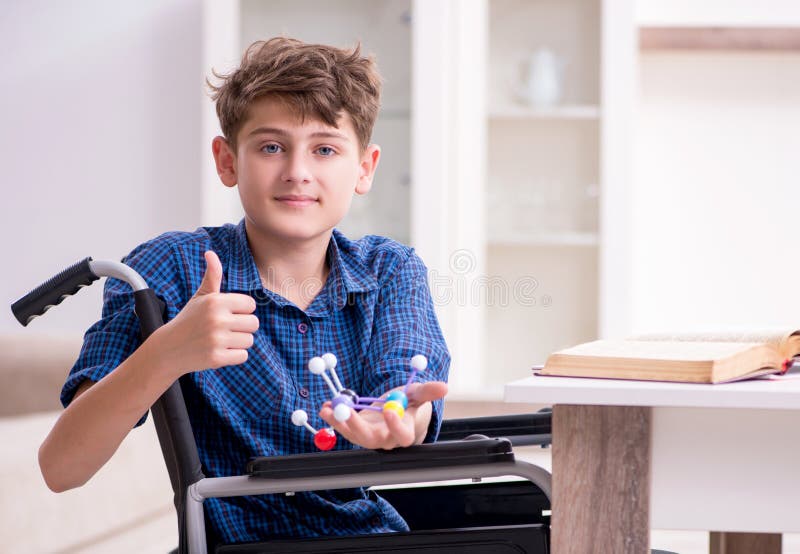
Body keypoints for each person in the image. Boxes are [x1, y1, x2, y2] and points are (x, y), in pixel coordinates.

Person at [38, 37, 450, 545]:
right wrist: (166, 354)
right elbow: (62, 467)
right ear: (227, 159)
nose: (298, 171)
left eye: (324, 149)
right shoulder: (170, 268)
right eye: (272, 147)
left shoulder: (391, 271)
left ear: (364, 167)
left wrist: (402, 417)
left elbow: (406, 392)